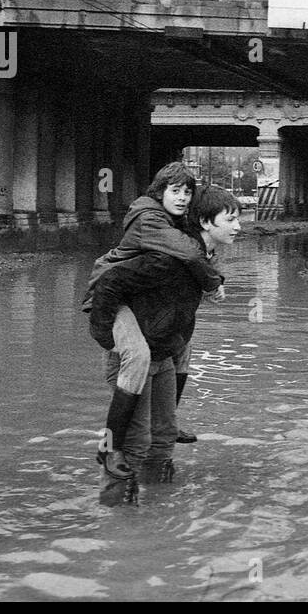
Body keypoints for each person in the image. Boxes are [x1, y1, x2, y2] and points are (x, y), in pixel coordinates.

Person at [85, 186, 240, 502]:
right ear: (206, 222)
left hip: (164, 356)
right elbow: (108, 284)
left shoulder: (202, 259)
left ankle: (159, 510)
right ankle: (114, 511)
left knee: (163, 438)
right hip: (133, 358)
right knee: (137, 441)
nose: (238, 227)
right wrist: (104, 335)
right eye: (231, 219)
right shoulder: (167, 260)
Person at [84, 162, 224, 445]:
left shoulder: (174, 218)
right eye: (175, 191)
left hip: (138, 295)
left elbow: (198, 250)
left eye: (187, 192)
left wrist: (214, 271)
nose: (183, 197)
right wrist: (214, 283)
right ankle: (110, 444)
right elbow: (188, 251)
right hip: (111, 296)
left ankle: (167, 421)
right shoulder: (149, 219)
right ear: (160, 192)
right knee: (138, 356)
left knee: (183, 347)